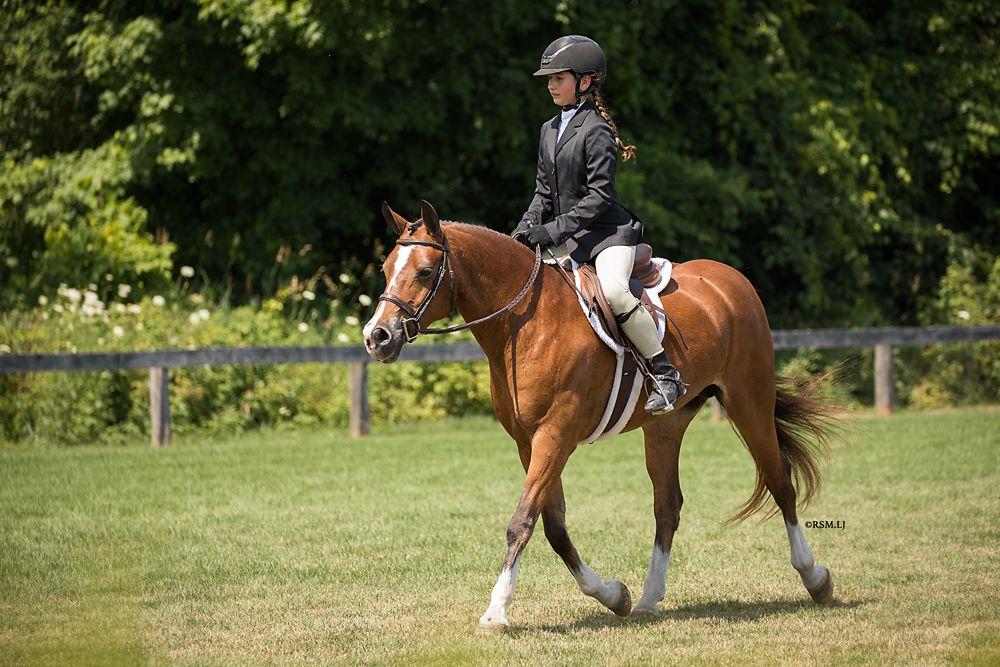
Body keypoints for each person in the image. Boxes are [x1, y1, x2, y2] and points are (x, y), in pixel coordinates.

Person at [511, 34, 685, 414]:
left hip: (609, 236)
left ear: (585, 81)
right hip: (572, 239)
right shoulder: (548, 130)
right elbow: (543, 193)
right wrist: (523, 230)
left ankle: (665, 372)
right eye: (549, 78)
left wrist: (551, 231)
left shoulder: (596, 130)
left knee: (616, 292)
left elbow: (599, 198)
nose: (551, 84)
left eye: (558, 77)